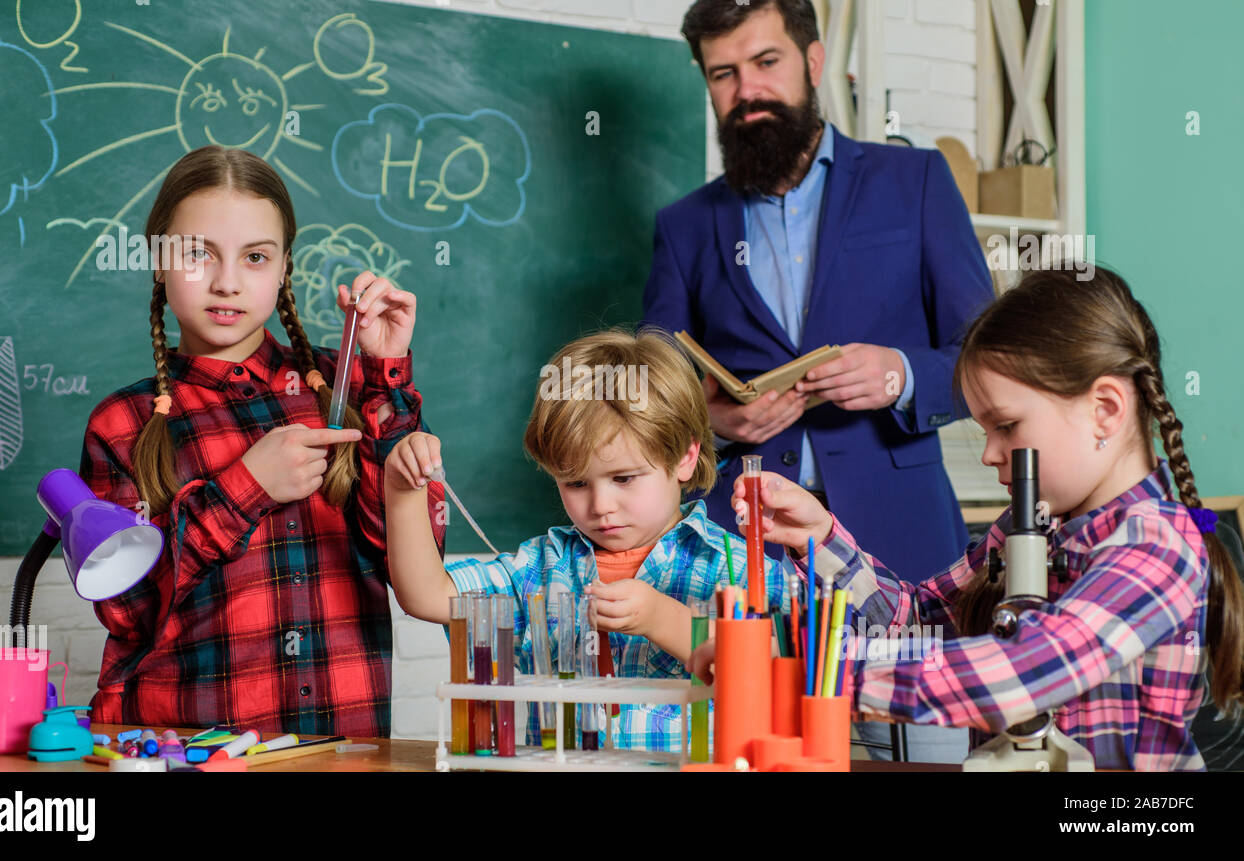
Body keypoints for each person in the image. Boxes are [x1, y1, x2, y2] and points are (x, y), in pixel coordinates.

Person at [690, 266, 1244, 770]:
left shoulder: (1157, 545)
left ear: (1105, 410)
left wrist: (809, 672)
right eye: (985, 431)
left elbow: (1024, 673)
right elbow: (915, 622)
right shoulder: (1028, 526)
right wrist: (821, 536)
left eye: (1006, 426)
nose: (989, 454)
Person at [647, 0, 993, 761]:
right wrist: (713, 418)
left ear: (811, 62)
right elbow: (650, 380)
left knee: (927, 756)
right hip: (743, 555)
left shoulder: (918, 182)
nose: (747, 90)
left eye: (765, 63)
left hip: (905, 552)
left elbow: (991, 359)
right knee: (750, 750)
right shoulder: (683, 225)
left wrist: (901, 373)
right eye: (723, 75)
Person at [79, 145, 443, 737]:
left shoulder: (344, 387)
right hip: (181, 745)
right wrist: (245, 488)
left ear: (283, 269)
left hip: (340, 740)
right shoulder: (124, 422)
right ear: (159, 261)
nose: (226, 282)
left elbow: (420, 564)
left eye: (254, 257)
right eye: (198, 254)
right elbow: (128, 609)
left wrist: (385, 376)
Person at [382, 328, 784, 751]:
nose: (601, 505)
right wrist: (402, 489)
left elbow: (777, 675)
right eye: (575, 483)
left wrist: (661, 619)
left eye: (624, 478)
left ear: (684, 457)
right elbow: (427, 595)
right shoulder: (544, 567)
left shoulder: (736, 567)